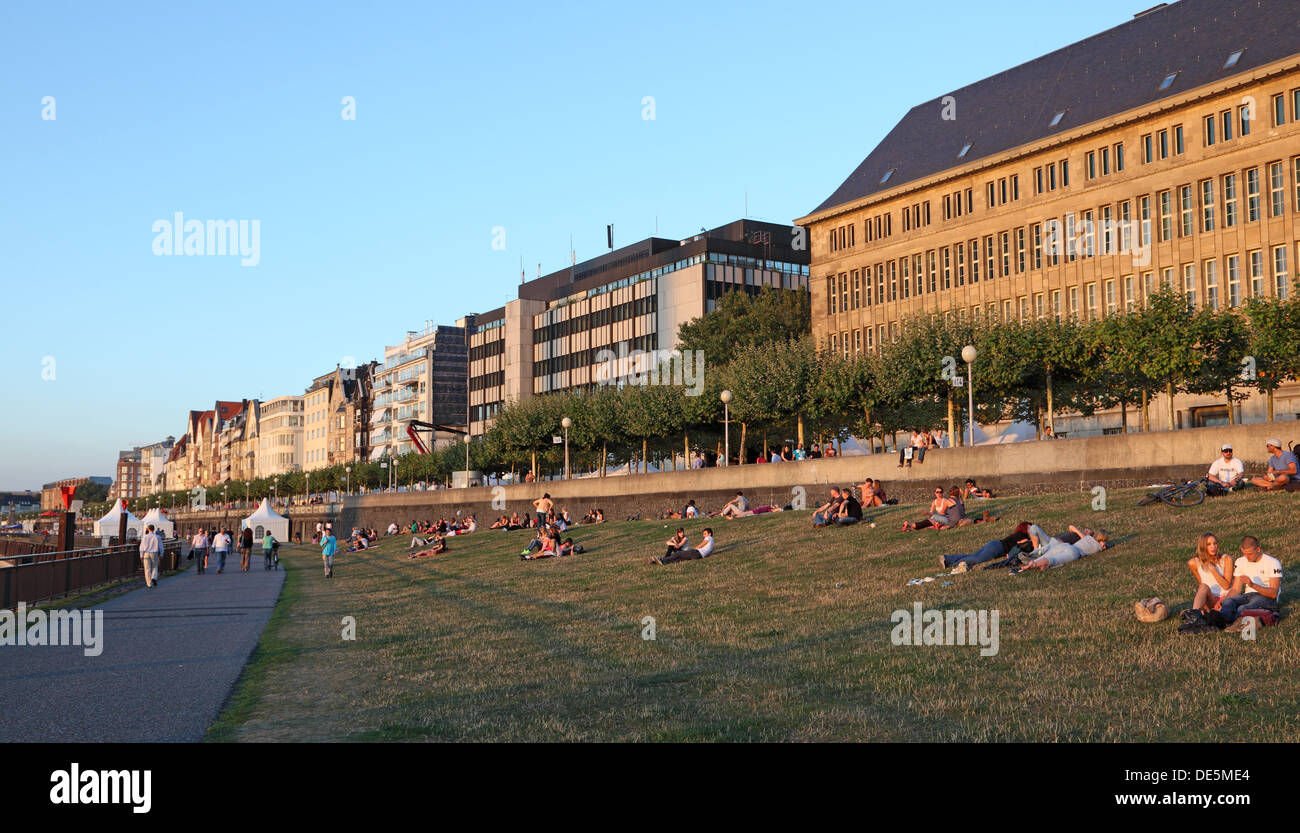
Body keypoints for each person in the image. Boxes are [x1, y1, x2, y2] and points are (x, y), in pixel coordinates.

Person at [1218, 536, 1282, 628]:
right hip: (1248, 595)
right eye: (1244, 554)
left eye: (1250, 554)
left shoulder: (1273, 563)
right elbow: (1236, 589)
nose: (1247, 557)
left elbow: (1273, 593)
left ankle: (1232, 622)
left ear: (1258, 549)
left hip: (1265, 597)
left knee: (1242, 608)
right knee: (1228, 601)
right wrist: (1223, 601)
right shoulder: (1240, 561)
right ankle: (1222, 622)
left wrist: (1252, 585)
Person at [940, 522, 1033, 572]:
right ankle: (952, 563)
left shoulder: (1017, 534)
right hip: (998, 548)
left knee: (973, 556)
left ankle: (947, 558)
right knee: (976, 559)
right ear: (1024, 528)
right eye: (1030, 528)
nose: (1032, 530)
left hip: (995, 544)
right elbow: (1022, 543)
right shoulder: (1021, 535)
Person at [1015, 525, 1109, 571]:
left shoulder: (1087, 538)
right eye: (1104, 541)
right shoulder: (1098, 546)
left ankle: (1035, 562)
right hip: (1074, 552)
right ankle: (1034, 564)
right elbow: (1103, 546)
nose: (1104, 544)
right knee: (1054, 560)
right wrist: (1104, 545)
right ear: (1101, 539)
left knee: (1048, 554)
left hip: (1064, 546)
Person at [1186, 532, 1233, 613]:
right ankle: (1194, 615)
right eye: (1208, 544)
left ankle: (1199, 614)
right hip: (1210, 599)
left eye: (1215, 543)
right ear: (1203, 546)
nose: (1213, 547)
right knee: (1203, 586)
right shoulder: (1193, 563)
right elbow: (1201, 584)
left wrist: (1213, 569)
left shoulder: (1226, 559)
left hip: (1225, 599)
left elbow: (1226, 586)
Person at [651, 528, 715, 565]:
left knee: (678, 554)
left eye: (705, 534)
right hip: (699, 556)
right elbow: (711, 551)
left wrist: (694, 549)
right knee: (680, 559)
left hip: (697, 552)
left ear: (709, 534)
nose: (704, 535)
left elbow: (701, 545)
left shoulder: (708, 538)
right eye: (703, 534)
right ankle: (662, 562)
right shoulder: (712, 541)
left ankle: (662, 560)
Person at [139, 524, 161, 588]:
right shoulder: (157, 537)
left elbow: (141, 547)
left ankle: (149, 584)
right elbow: (161, 546)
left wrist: (141, 555)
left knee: (147, 569)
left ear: (148, 529)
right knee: (155, 566)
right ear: (154, 529)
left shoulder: (144, 537)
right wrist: (161, 554)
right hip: (154, 553)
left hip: (146, 553)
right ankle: (154, 577)